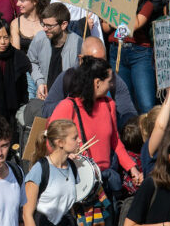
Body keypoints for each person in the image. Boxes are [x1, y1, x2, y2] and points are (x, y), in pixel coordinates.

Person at [48, 56, 143, 196]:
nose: (112, 85)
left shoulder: (108, 104)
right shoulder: (67, 106)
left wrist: (132, 168)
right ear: (97, 82)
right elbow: (50, 142)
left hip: (104, 183)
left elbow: (115, 142)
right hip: (78, 182)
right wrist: (67, 154)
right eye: (109, 82)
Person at [22, 120, 81, 226]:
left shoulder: (72, 167)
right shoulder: (40, 169)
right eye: (74, 138)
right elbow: (27, 214)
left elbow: (70, 206)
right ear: (60, 142)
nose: (79, 141)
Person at [29, 2, 83, 101]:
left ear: (63, 25)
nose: (45, 29)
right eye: (43, 24)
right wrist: (39, 82)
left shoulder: (78, 44)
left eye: (49, 26)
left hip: (67, 101)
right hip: (44, 99)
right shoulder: (40, 38)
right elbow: (31, 61)